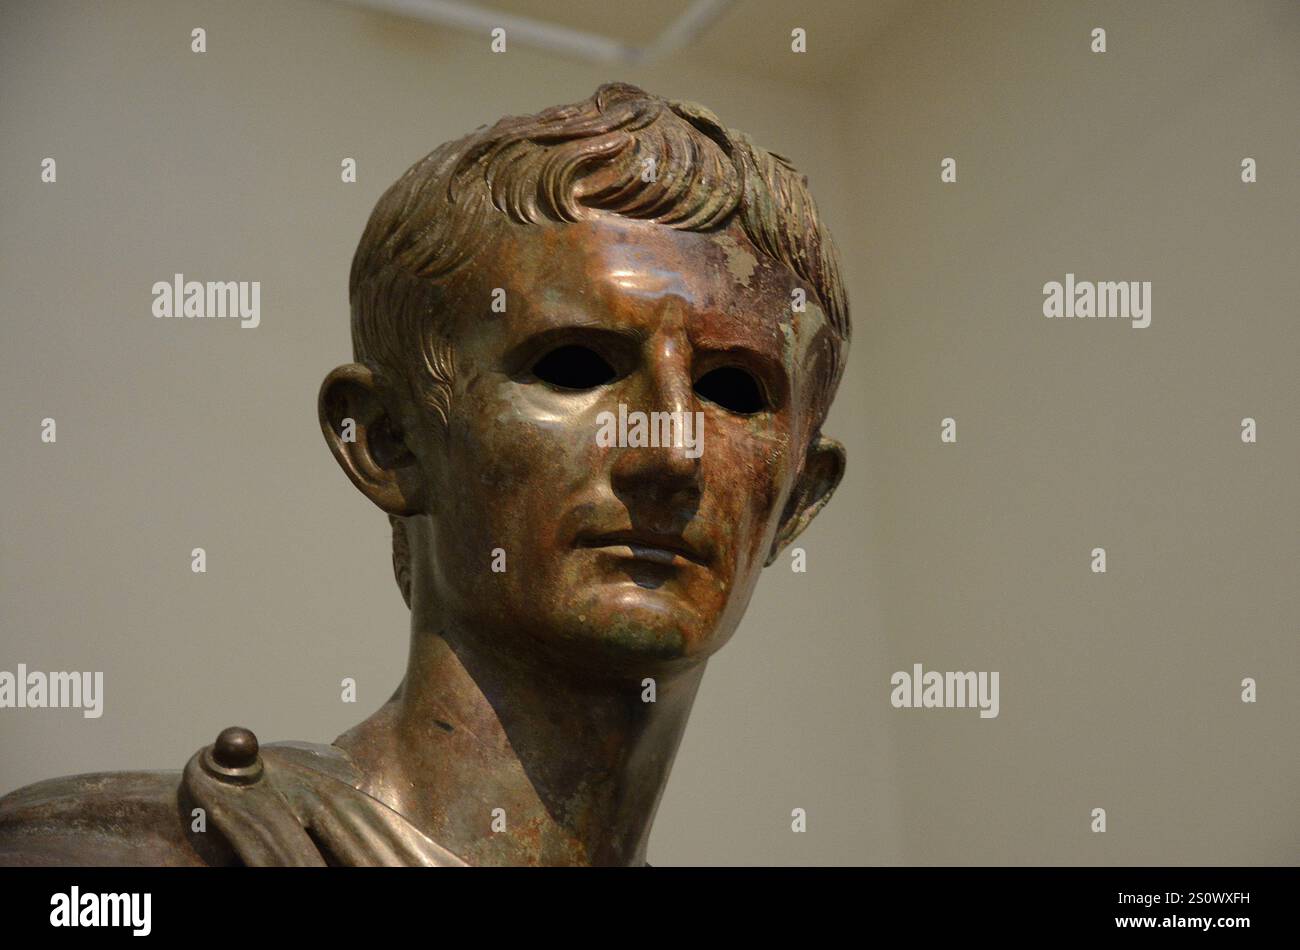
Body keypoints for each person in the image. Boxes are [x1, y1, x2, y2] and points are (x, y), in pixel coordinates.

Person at [0, 82, 850, 866]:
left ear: (798, 501)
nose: (669, 452)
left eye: (734, 390)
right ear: (387, 440)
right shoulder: (103, 863)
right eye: (575, 366)